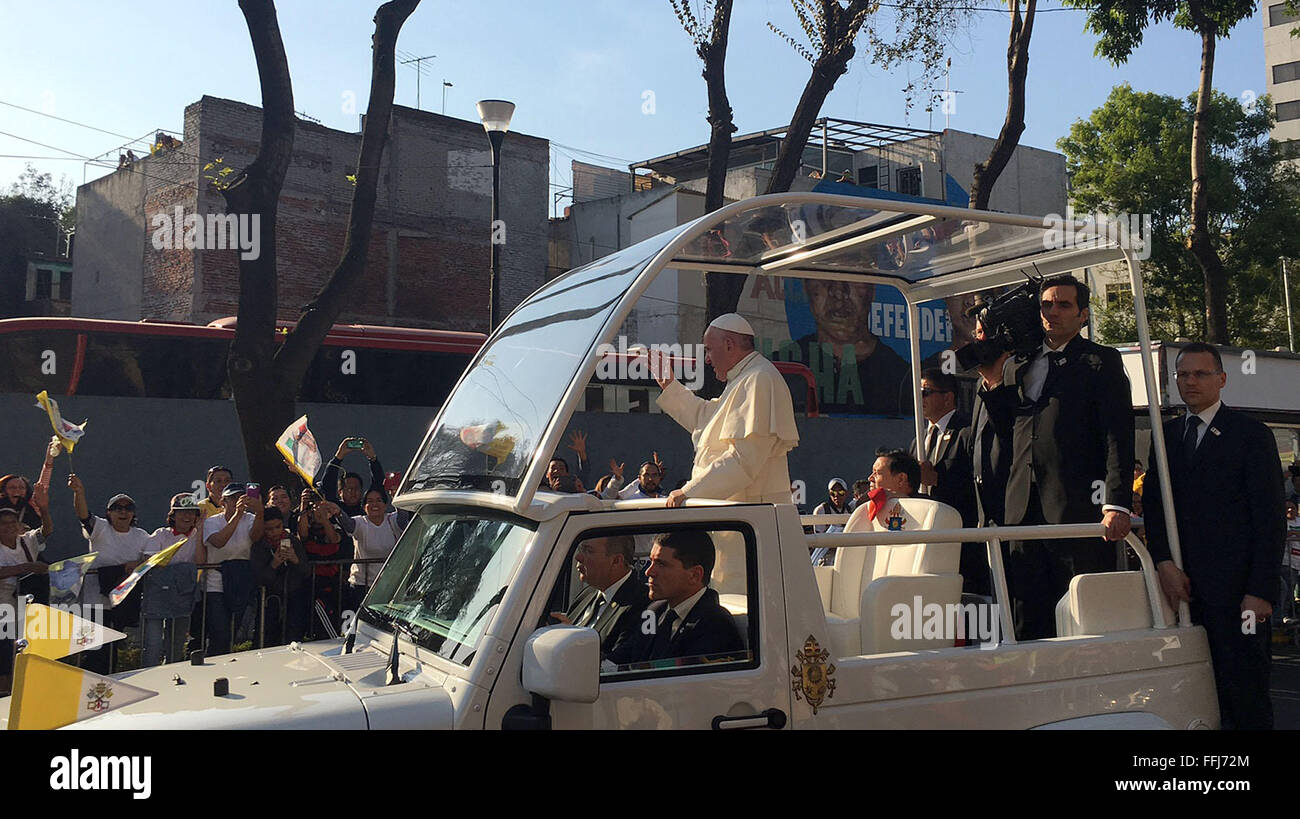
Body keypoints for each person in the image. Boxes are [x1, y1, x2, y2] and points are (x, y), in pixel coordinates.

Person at [977, 274, 1133, 640]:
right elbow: (1006, 433)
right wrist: (993, 384)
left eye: (1064, 304)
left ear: (1082, 315)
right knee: (1026, 619)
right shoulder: (1018, 363)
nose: (1053, 312)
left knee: (1081, 619)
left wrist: (1117, 504)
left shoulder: (1101, 362)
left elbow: (1117, 435)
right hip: (1022, 512)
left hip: (1076, 511)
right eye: (1046, 304)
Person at [1143, 343, 1285, 730]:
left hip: (1240, 595)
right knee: (1192, 696)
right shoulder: (1166, 435)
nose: (1190, 382)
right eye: (1183, 374)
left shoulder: (1251, 436)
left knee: (1245, 695)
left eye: (1200, 374)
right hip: (1183, 591)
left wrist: (1260, 592)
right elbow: (1155, 509)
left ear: (1222, 380)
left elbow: (1270, 519)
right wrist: (1163, 563)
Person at [653, 313, 800, 506]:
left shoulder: (759, 378)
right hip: (739, 513)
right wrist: (671, 387)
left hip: (751, 516)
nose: (707, 359)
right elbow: (705, 419)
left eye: (709, 350)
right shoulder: (742, 379)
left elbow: (743, 460)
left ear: (729, 345)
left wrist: (689, 492)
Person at [789, 279, 912, 416]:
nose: (839, 292)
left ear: (872, 289)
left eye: (854, 278)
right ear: (807, 288)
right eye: (823, 277)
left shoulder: (903, 379)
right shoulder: (783, 367)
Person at [70, 474, 152, 673]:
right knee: (94, 649)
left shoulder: (141, 535)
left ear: (133, 514)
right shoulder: (100, 528)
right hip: (95, 600)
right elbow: (82, 514)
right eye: (117, 508)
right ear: (109, 512)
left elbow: (153, 560)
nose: (123, 512)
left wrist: (138, 563)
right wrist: (79, 492)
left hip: (124, 601)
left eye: (128, 508)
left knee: (114, 648)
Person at [912, 368, 980, 592]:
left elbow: (977, 480)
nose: (920, 398)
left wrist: (937, 479)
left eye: (925, 392)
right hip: (926, 532)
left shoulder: (967, 432)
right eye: (918, 392)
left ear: (948, 396)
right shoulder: (919, 439)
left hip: (959, 534)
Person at [642, 530, 744, 661]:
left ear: (695, 575)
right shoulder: (653, 611)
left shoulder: (715, 625)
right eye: (651, 561)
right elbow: (626, 656)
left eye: (661, 564)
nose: (649, 572)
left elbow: (687, 678)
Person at [551, 534, 651, 666]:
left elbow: (618, 664)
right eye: (581, 549)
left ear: (616, 561)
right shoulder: (588, 594)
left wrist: (573, 640)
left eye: (589, 551)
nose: (578, 557)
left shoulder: (642, 604)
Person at [140, 494, 205, 667]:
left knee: (176, 646)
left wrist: (199, 534)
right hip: (157, 597)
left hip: (182, 598)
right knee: (153, 644)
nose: (187, 516)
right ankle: (149, 679)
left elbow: (200, 562)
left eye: (191, 512)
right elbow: (150, 560)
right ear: (173, 515)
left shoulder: (198, 535)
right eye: (181, 512)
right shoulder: (160, 534)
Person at [200, 483, 264, 656]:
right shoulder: (212, 522)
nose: (238, 501)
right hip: (216, 585)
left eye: (241, 497)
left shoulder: (250, 518)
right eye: (233, 498)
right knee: (220, 633)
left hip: (241, 582)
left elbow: (256, 537)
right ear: (223, 501)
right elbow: (219, 542)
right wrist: (237, 515)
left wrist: (260, 512)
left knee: (234, 634)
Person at [0, 500, 50, 695]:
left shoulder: (27, 541)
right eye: (4, 523)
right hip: (4, 607)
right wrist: (26, 567)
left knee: (29, 648)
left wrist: (44, 509)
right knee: (4, 649)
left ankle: (26, 689)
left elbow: (46, 530)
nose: (9, 526)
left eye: (12, 522)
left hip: (29, 605)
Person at [251, 506, 310, 646]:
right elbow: (259, 578)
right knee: (267, 640)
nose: (274, 532)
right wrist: (274, 564)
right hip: (270, 600)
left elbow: (307, 571)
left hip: (293, 597)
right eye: (269, 529)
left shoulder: (293, 541)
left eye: (277, 527)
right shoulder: (259, 545)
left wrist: (295, 559)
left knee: (293, 638)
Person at [341, 488, 407, 611]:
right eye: (369, 501)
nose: (374, 504)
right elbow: (348, 525)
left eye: (379, 500)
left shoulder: (392, 519)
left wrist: (396, 498)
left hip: (389, 586)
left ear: (386, 505)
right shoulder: (360, 522)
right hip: (362, 585)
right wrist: (337, 511)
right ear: (364, 506)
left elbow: (403, 520)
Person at [298, 489, 350, 638]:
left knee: (333, 618)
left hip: (333, 583)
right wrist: (304, 507)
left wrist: (325, 519)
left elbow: (334, 539)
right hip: (312, 584)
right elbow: (302, 535)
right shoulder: (307, 526)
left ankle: (334, 640)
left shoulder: (335, 526)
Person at [324, 438, 387, 517]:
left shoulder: (367, 512)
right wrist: (339, 456)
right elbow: (327, 486)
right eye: (349, 489)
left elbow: (379, 485)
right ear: (340, 492)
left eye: (356, 488)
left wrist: (372, 458)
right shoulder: (334, 510)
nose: (353, 492)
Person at [809, 477, 852, 566]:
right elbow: (820, 540)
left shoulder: (849, 510)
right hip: (825, 558)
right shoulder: (821, 510)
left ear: (846, 493)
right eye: (833, 493)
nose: (837, 496)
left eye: (841, 492)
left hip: (844, 556)